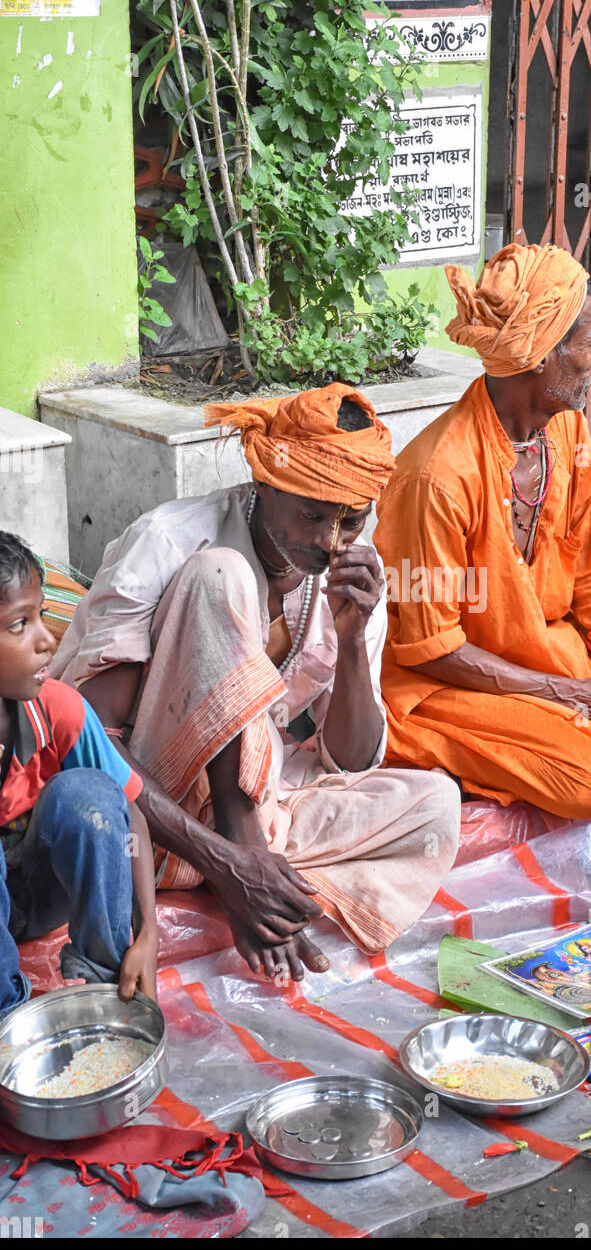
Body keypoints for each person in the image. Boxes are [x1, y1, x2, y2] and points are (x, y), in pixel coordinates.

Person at [51, 385, 460, 982]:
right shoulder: (170, 540)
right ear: (264, 482)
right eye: (312, 514)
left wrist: (351, 640)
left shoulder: (352, 569)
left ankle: (264, 882)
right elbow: (90, 740)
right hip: (146, 804)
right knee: (223, 576)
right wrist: (229, 858)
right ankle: (241, 869)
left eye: (351, 519)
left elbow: (348, 761)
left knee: (436, 807)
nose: (331, 540)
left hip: (260, 803)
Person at [374, 243, 591, 818]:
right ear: (541, 357)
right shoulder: (435, 477)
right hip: (452, 685)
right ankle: (426, 748)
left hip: (547, 659)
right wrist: (571, 695)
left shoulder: (568, 433)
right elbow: (429, 647)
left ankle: (573, 733)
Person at [0, 532, 157, 1017]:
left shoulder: (57, 709)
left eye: (41, 615)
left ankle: (106, 982)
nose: (47, 639)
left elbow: (128, 818)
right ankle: (8, 1019)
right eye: (19, 624)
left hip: (40, 892)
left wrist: (148, 930)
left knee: (87, 796)